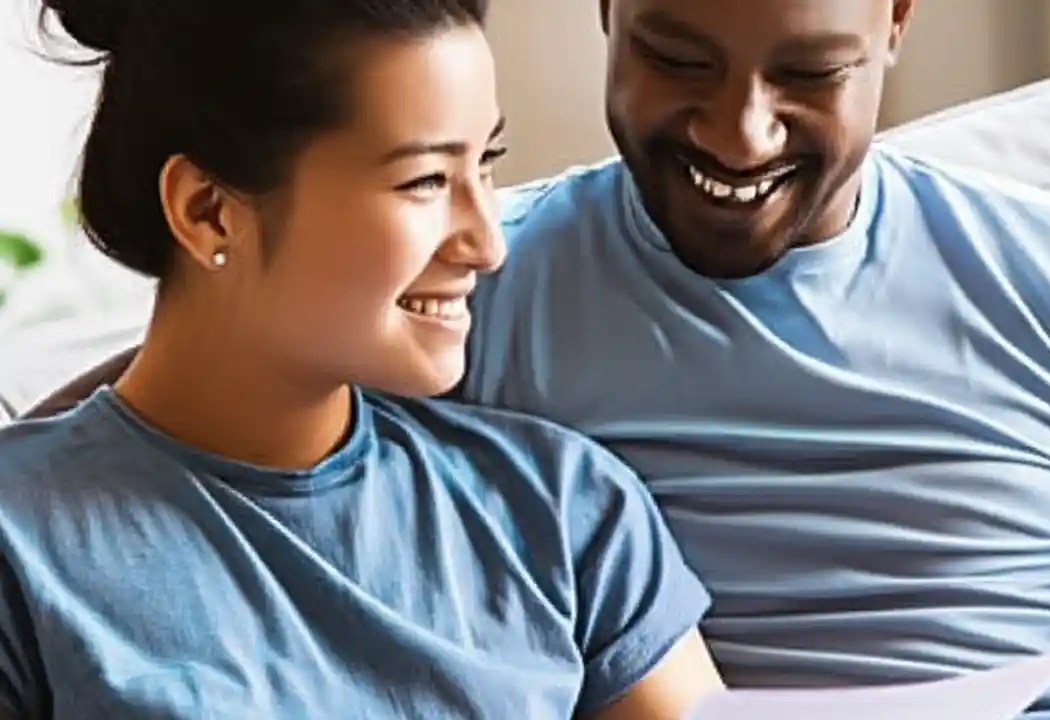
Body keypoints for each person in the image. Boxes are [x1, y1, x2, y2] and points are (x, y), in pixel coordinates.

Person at [31, 1, 1050, 719]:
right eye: (680, 58)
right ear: (609, 15)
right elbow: (205, 403)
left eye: (806, 70)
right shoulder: (479, 305)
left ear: (895, 21)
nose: (738, 128)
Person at [0, 0, 724, 717]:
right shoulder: (24, 543)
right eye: (426, 182)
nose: (486, 242)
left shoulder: (565, 513)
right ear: (208, 211)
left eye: (486, 166)